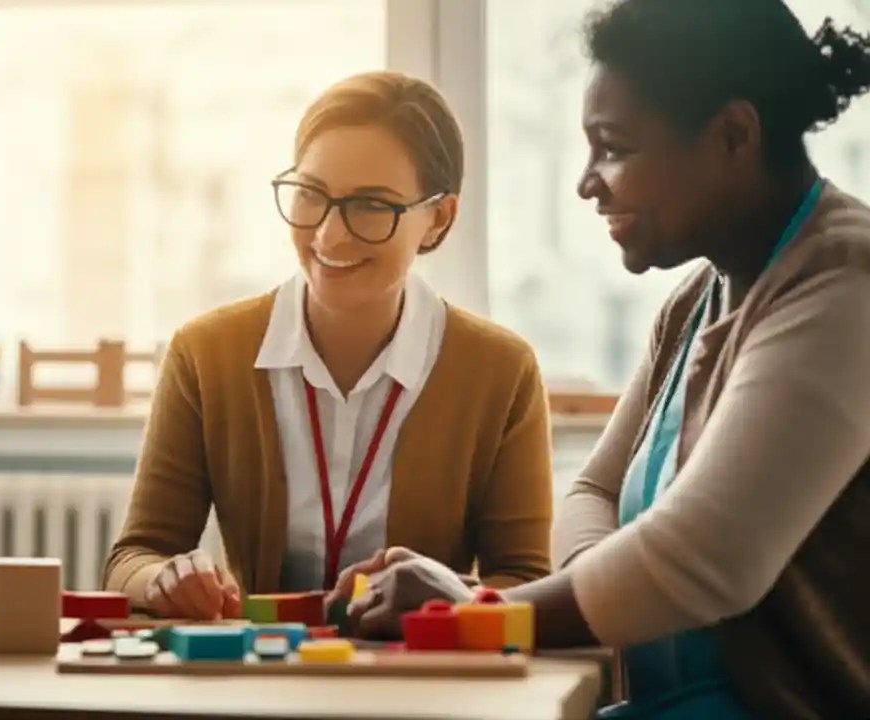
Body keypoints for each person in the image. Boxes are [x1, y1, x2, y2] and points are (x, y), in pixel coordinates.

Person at [332, 1, 870, 717]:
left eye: (613, 146)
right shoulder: (695, 300)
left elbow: (702, 564)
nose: (588, 182)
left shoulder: (846, 282)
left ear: (734, 135)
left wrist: (476, 615)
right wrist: (603, 590)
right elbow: (596, 493)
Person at [104, 71, 554, 620]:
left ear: (438, 219)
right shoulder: (205, 353)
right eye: (311, 195)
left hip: (418, 681)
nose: (329, 236)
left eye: (372, 206)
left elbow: (525, 579)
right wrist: (164, 580)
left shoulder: (500, 371)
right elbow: (134, 556)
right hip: (261, 674)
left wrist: (447, 599)